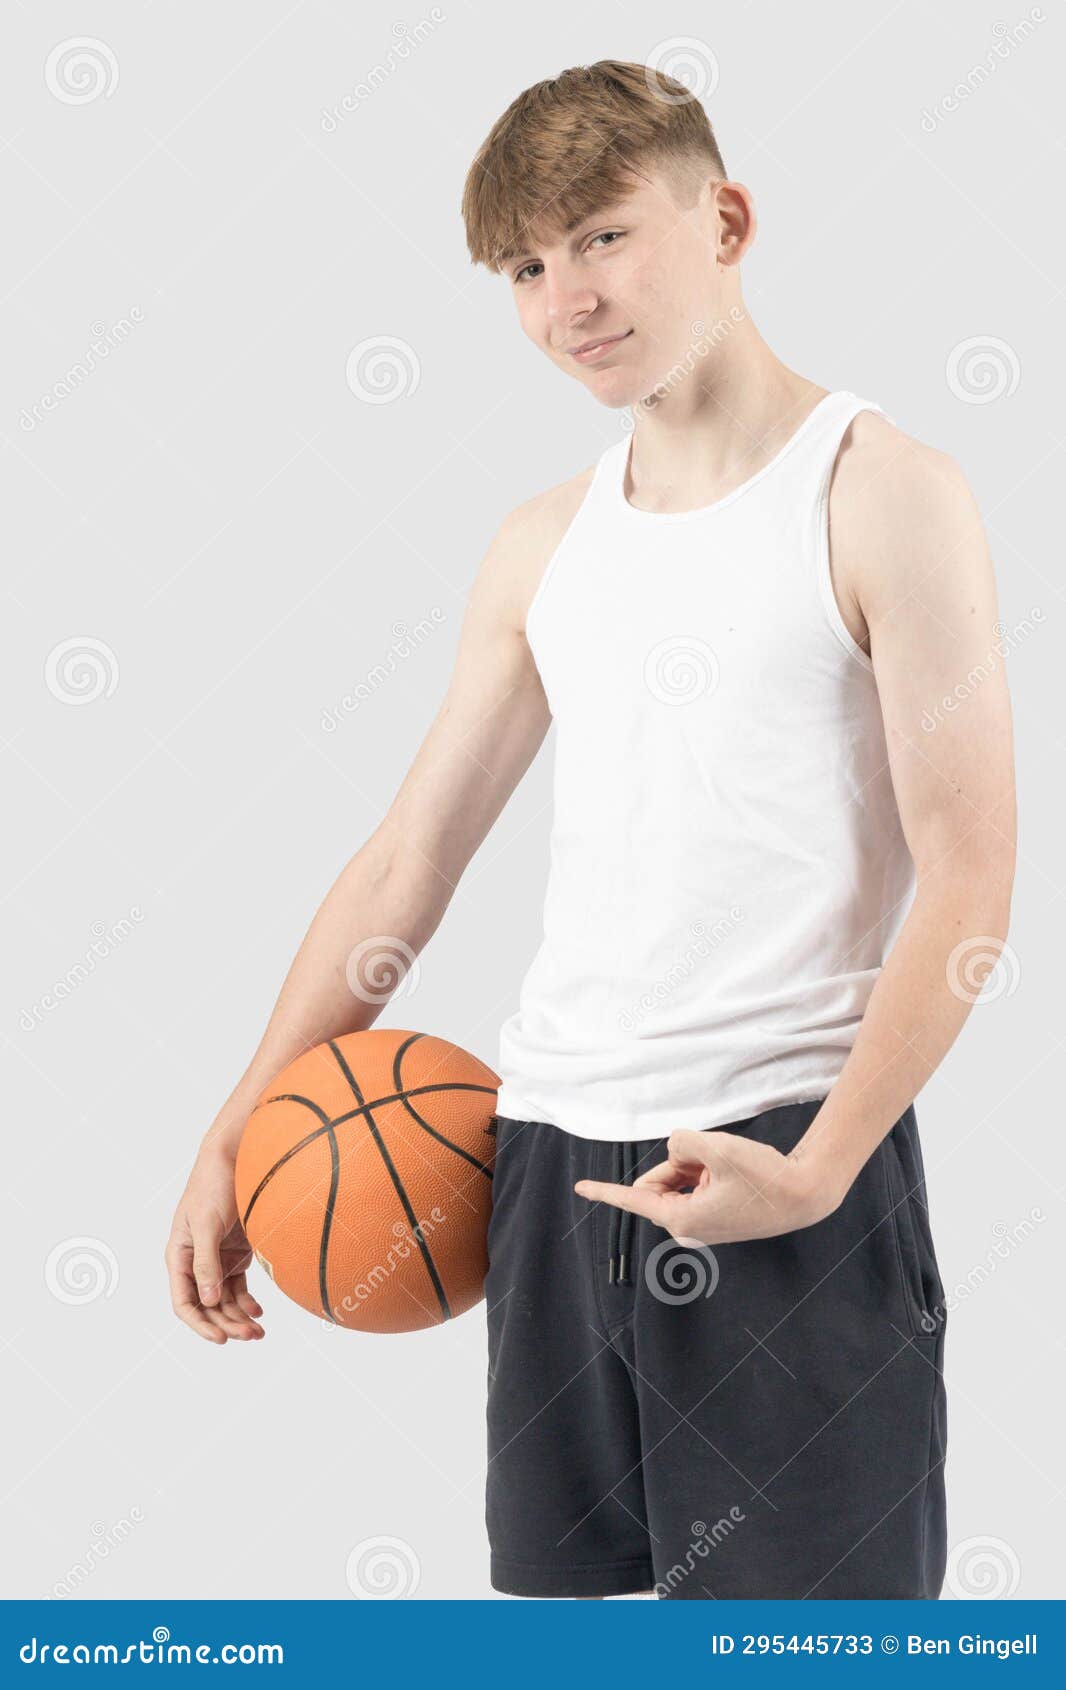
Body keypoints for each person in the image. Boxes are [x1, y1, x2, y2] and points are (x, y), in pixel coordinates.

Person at [166, 61, 1016, 1600]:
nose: (568, 295)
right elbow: (407, 858)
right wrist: (240, 1125)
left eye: (603, 236)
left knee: (816, 1647)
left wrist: (819, 1171)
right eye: (524, 266)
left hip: (774, 1155)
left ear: (726, 217)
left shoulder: (882, 491)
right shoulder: (543, 544)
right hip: (543, 1170)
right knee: (572, 1646)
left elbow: (971, 881)